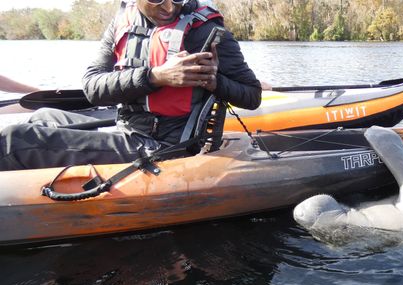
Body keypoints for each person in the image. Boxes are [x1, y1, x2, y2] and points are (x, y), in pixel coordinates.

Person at [0, 0, 262, 171]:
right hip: (128, 129)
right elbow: (93, 87)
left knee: (14, 142)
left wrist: (213, 80)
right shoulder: (122, 23)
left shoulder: (206, 30)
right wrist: (154, 77)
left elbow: (252, 96)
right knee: (44, 116)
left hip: (168, 146)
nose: (169, 7)